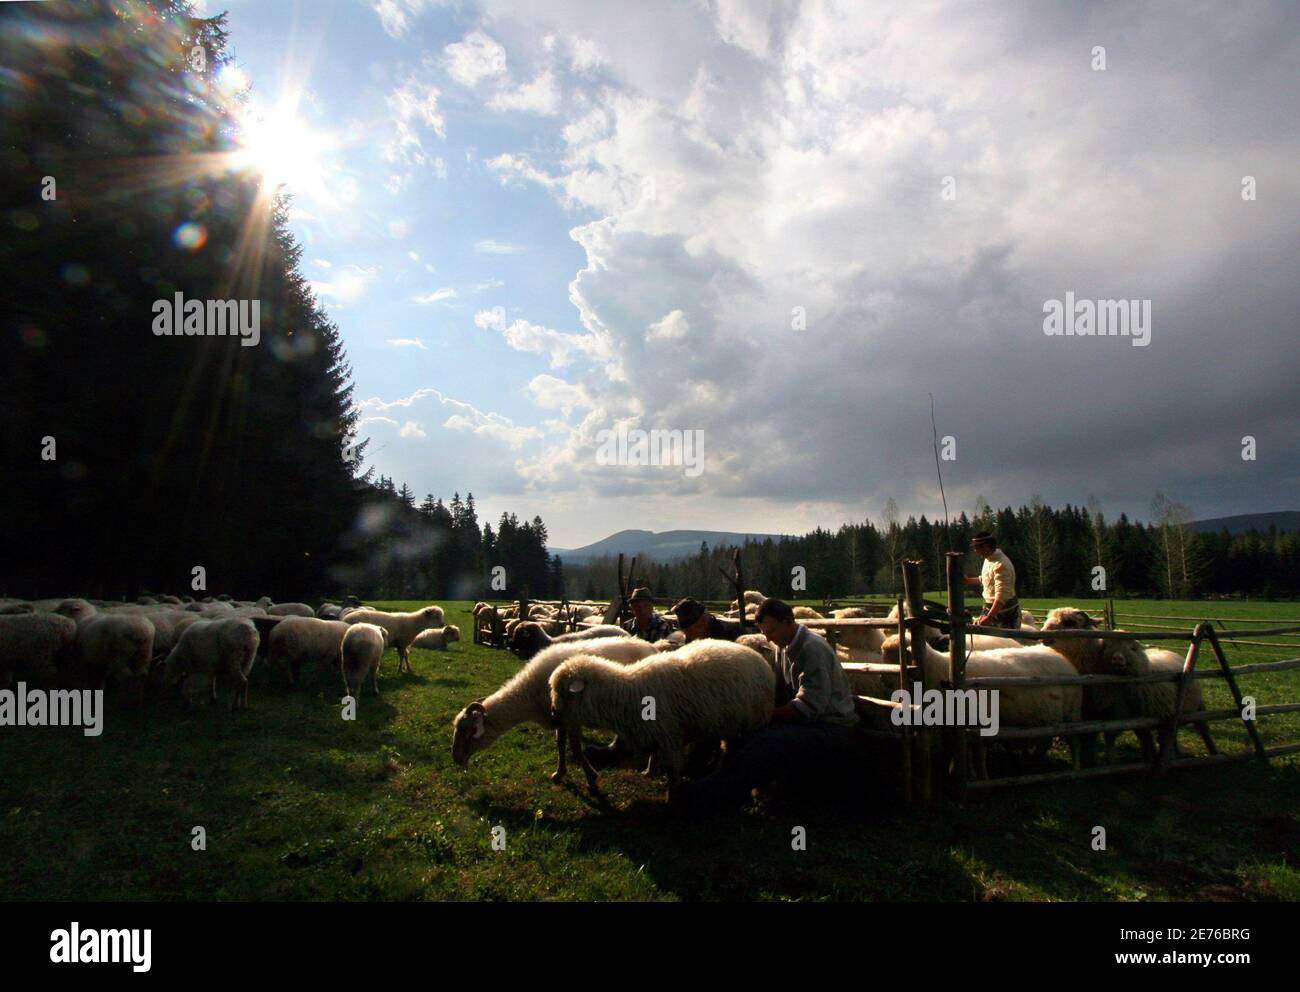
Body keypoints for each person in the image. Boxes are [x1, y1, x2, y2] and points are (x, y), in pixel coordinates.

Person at [677, 598, 864, 813]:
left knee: (769, 742)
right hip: (808, 723)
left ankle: (705, 796)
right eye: (764, 631)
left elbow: (808, 707)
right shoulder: (782, 646)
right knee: (742, 735)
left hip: (831, 728)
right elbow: (777, 687)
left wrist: (764, 715)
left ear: (788, 622)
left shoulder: (812, 649)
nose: (767, 637)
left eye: (771, 630)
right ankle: (722, 792)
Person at [964, 531, 1020, 628]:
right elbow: (987, 580)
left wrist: (989, 617)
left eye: (976, 547)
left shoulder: (1001, 564)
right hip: (991, 610)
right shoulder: (989, 559)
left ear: (985, 546)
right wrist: (968, 580)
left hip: (1004, 614)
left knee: (1005, 642)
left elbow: (1001, 596)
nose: (975, 550)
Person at [671, 598, 743, 642]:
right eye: (686, 634)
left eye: (691, 632)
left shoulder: (730, 634)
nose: (689, 637)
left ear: (703, 622)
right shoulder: (691, 639)